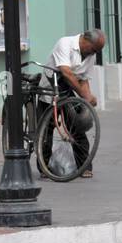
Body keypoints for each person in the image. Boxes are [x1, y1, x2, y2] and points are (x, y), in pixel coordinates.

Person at [47, 28, 105, 179]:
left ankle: (84, 166)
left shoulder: (90, 55)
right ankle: (45, 168)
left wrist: (87, 98)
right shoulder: (65, 43)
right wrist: (83, 94)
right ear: (85, 40)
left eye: (95, 52)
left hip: (69, 88)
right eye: (92, 49)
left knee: (77, 125)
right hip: (51, 84)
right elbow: (66, 73)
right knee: (46, 127)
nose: (93, 54)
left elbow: (84, 79)